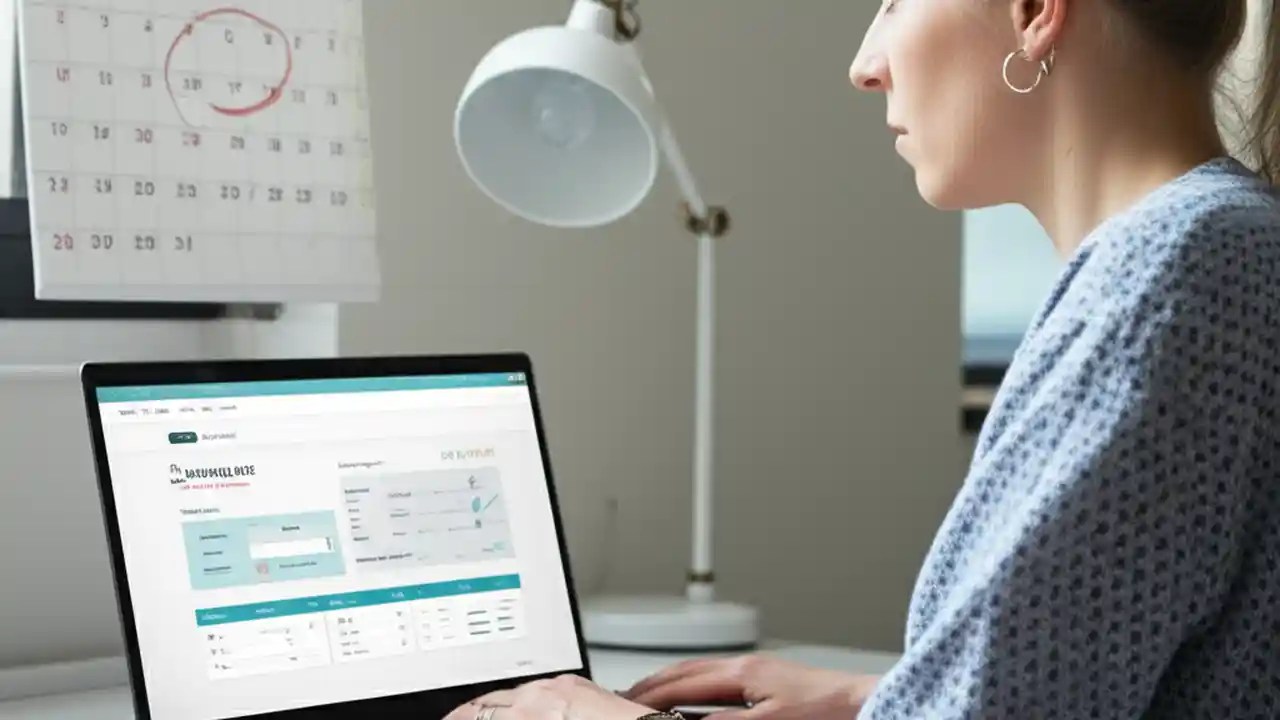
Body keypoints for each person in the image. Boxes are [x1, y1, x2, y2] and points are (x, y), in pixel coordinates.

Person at [448, 0, 1280, 717]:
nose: (864, 65)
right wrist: (880, 698)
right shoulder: (1224, 247)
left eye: (894, 1)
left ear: (1034, 12)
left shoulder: (1175, 274)